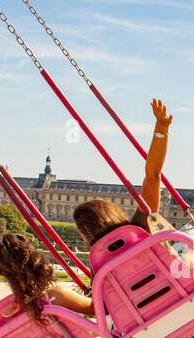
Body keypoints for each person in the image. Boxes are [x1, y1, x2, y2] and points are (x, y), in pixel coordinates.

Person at [71, 98, 173, 247]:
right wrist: (161, 129)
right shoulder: (140, 229)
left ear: (86, 235)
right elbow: (153, 175)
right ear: (113, 212)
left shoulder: (100, 266)